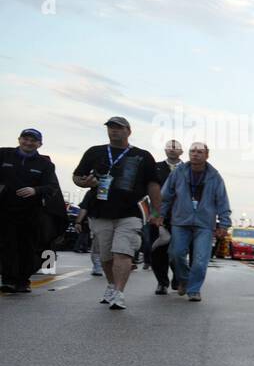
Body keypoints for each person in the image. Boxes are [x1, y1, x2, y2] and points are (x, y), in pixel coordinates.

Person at [71, 117, 161, 310]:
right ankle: (111, 284)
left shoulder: (143, 156)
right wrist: (84, 182)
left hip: (130, 212)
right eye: (111, 128)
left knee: (123, 251)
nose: (114, 131)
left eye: (119, 128)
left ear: (129, 131)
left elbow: (153, 184)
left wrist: (156, 212)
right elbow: (77, 176)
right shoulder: (95, 152)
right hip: (100, 211)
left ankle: (119, 293)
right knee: (106, 256)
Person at [161, 142, 231, 302]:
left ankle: (194, 289)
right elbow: (166, 196)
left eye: (200, 151)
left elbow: (222, 201)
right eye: (192, 151)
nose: (195, 154)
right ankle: (184, 279)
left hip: (204, 223)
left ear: (207, 155)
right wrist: (159, 214)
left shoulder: (215, 176)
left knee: (200, 260)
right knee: (175, 254)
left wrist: (224, 223)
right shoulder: (179, 172)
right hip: (180, 220)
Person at [0, 128, 61, 293]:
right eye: (25, 139)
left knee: (27, 247)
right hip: (5, 210)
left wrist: (35, 190)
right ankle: (8, 280)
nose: (28, 143)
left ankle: (23, 280)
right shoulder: (4, 154)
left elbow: (52, 187)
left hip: (31, 212)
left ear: (39, 144)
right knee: (7, 245)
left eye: (33, 140)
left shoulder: (45, 164)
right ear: (19, 139)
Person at [149, 139, 184, 295]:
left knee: (179, 251)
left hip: (181, 217)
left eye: (176, 148)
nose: (172, 150)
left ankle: (178, 277)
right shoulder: (155, 168)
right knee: (158, 251)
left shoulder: (188, 169)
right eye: (169, 147)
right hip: (158, 215)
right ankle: (162, 282)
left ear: (181, 152)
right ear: (165, 150)